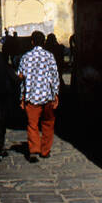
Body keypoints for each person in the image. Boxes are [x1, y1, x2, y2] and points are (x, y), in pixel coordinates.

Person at [17, 30, 60, 161]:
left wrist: (22, 97)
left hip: (31, 96)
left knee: (32, 124)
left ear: (32, 42)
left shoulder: (25, 57)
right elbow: (55, 77)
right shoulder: (49, 56)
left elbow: (20, 77)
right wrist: (56, 94)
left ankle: (34, 150)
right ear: (44, 42)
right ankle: (45, 150)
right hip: (47, 95)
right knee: (48, 123)